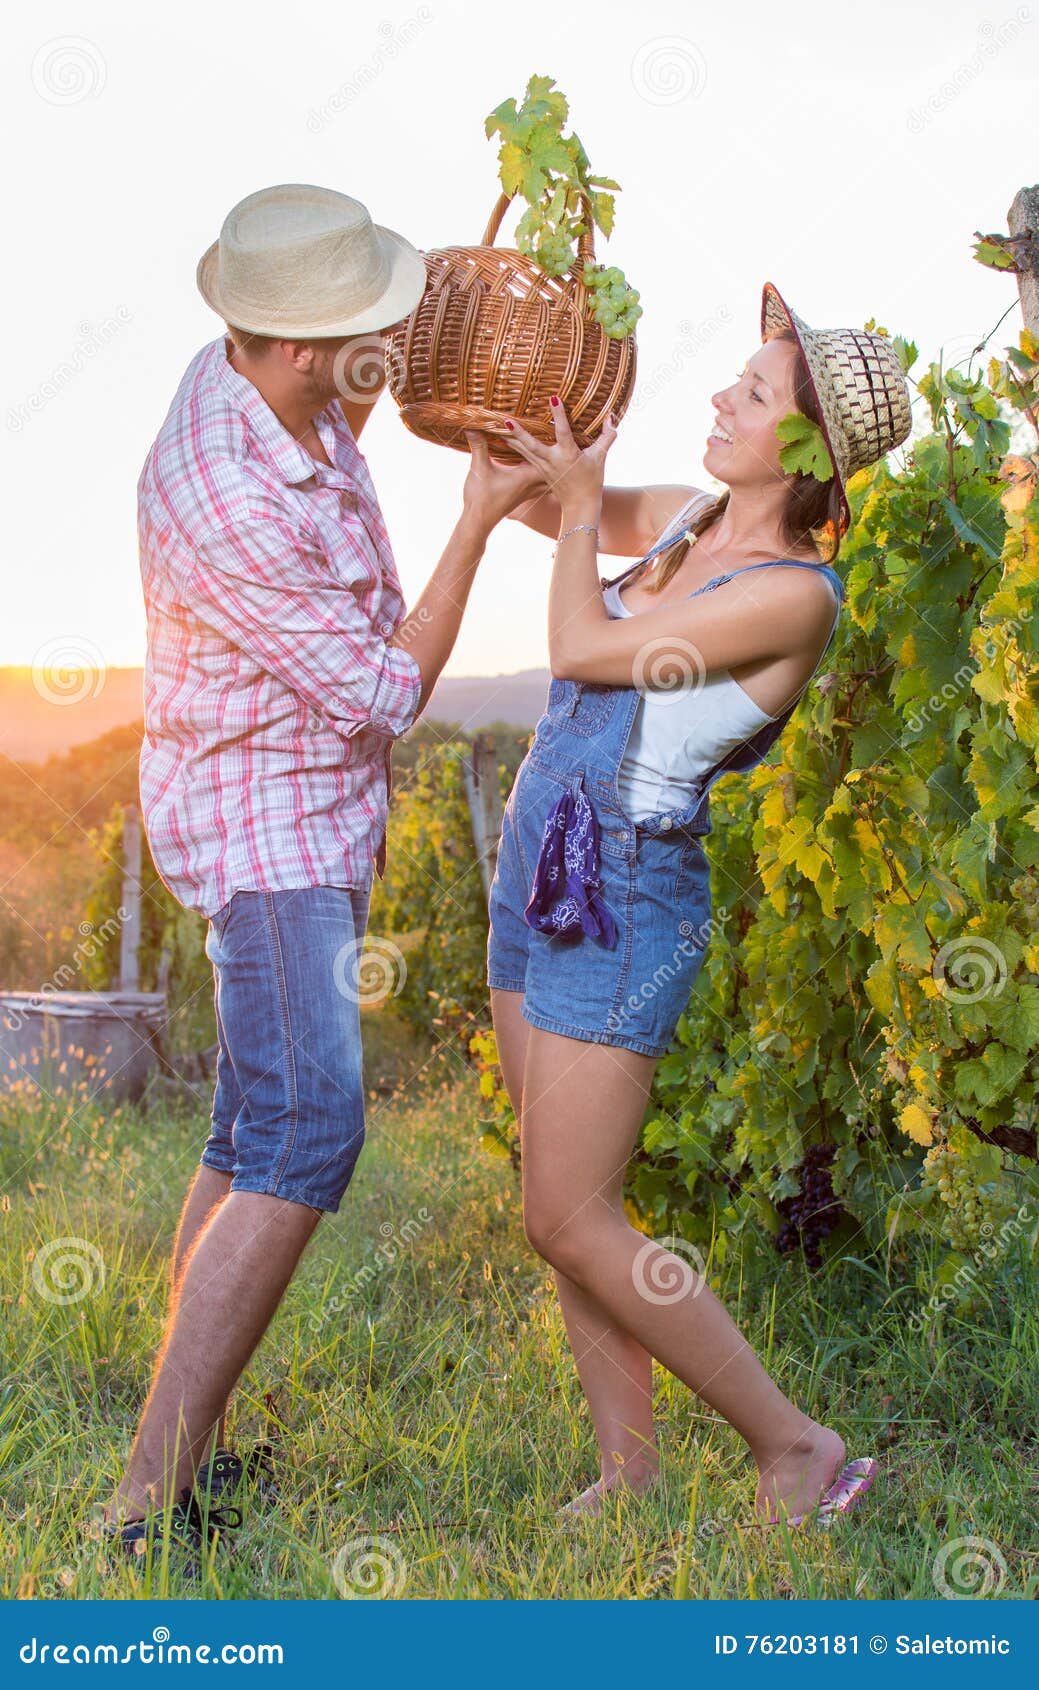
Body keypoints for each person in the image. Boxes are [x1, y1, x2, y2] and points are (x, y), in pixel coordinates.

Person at [102, 183, 545, 1571]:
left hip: (295, 807)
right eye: (366, 337)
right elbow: (377, 695)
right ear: (295, 348)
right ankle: (138, 1505)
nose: (384, 353)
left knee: (247, 1128)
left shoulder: (259, 374)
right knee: (310, 1132)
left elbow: (373, 380)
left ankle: (190, 1447)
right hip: (268, 826)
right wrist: (477, 519)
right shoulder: (233, 494)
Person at [481, 282, 912, 1525]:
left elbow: (575, 644)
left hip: (624, 892)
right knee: (565, 1207)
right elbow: (551, 505)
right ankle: (628, 1472)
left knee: (568, 1212)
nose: (723, 397)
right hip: (536, 858)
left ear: (812, 451)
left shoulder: (792, 594)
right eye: (735, 376)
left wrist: (569, 517)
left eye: (756, 390)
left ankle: (796, 1445)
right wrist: (525, 425)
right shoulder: (686, 521)